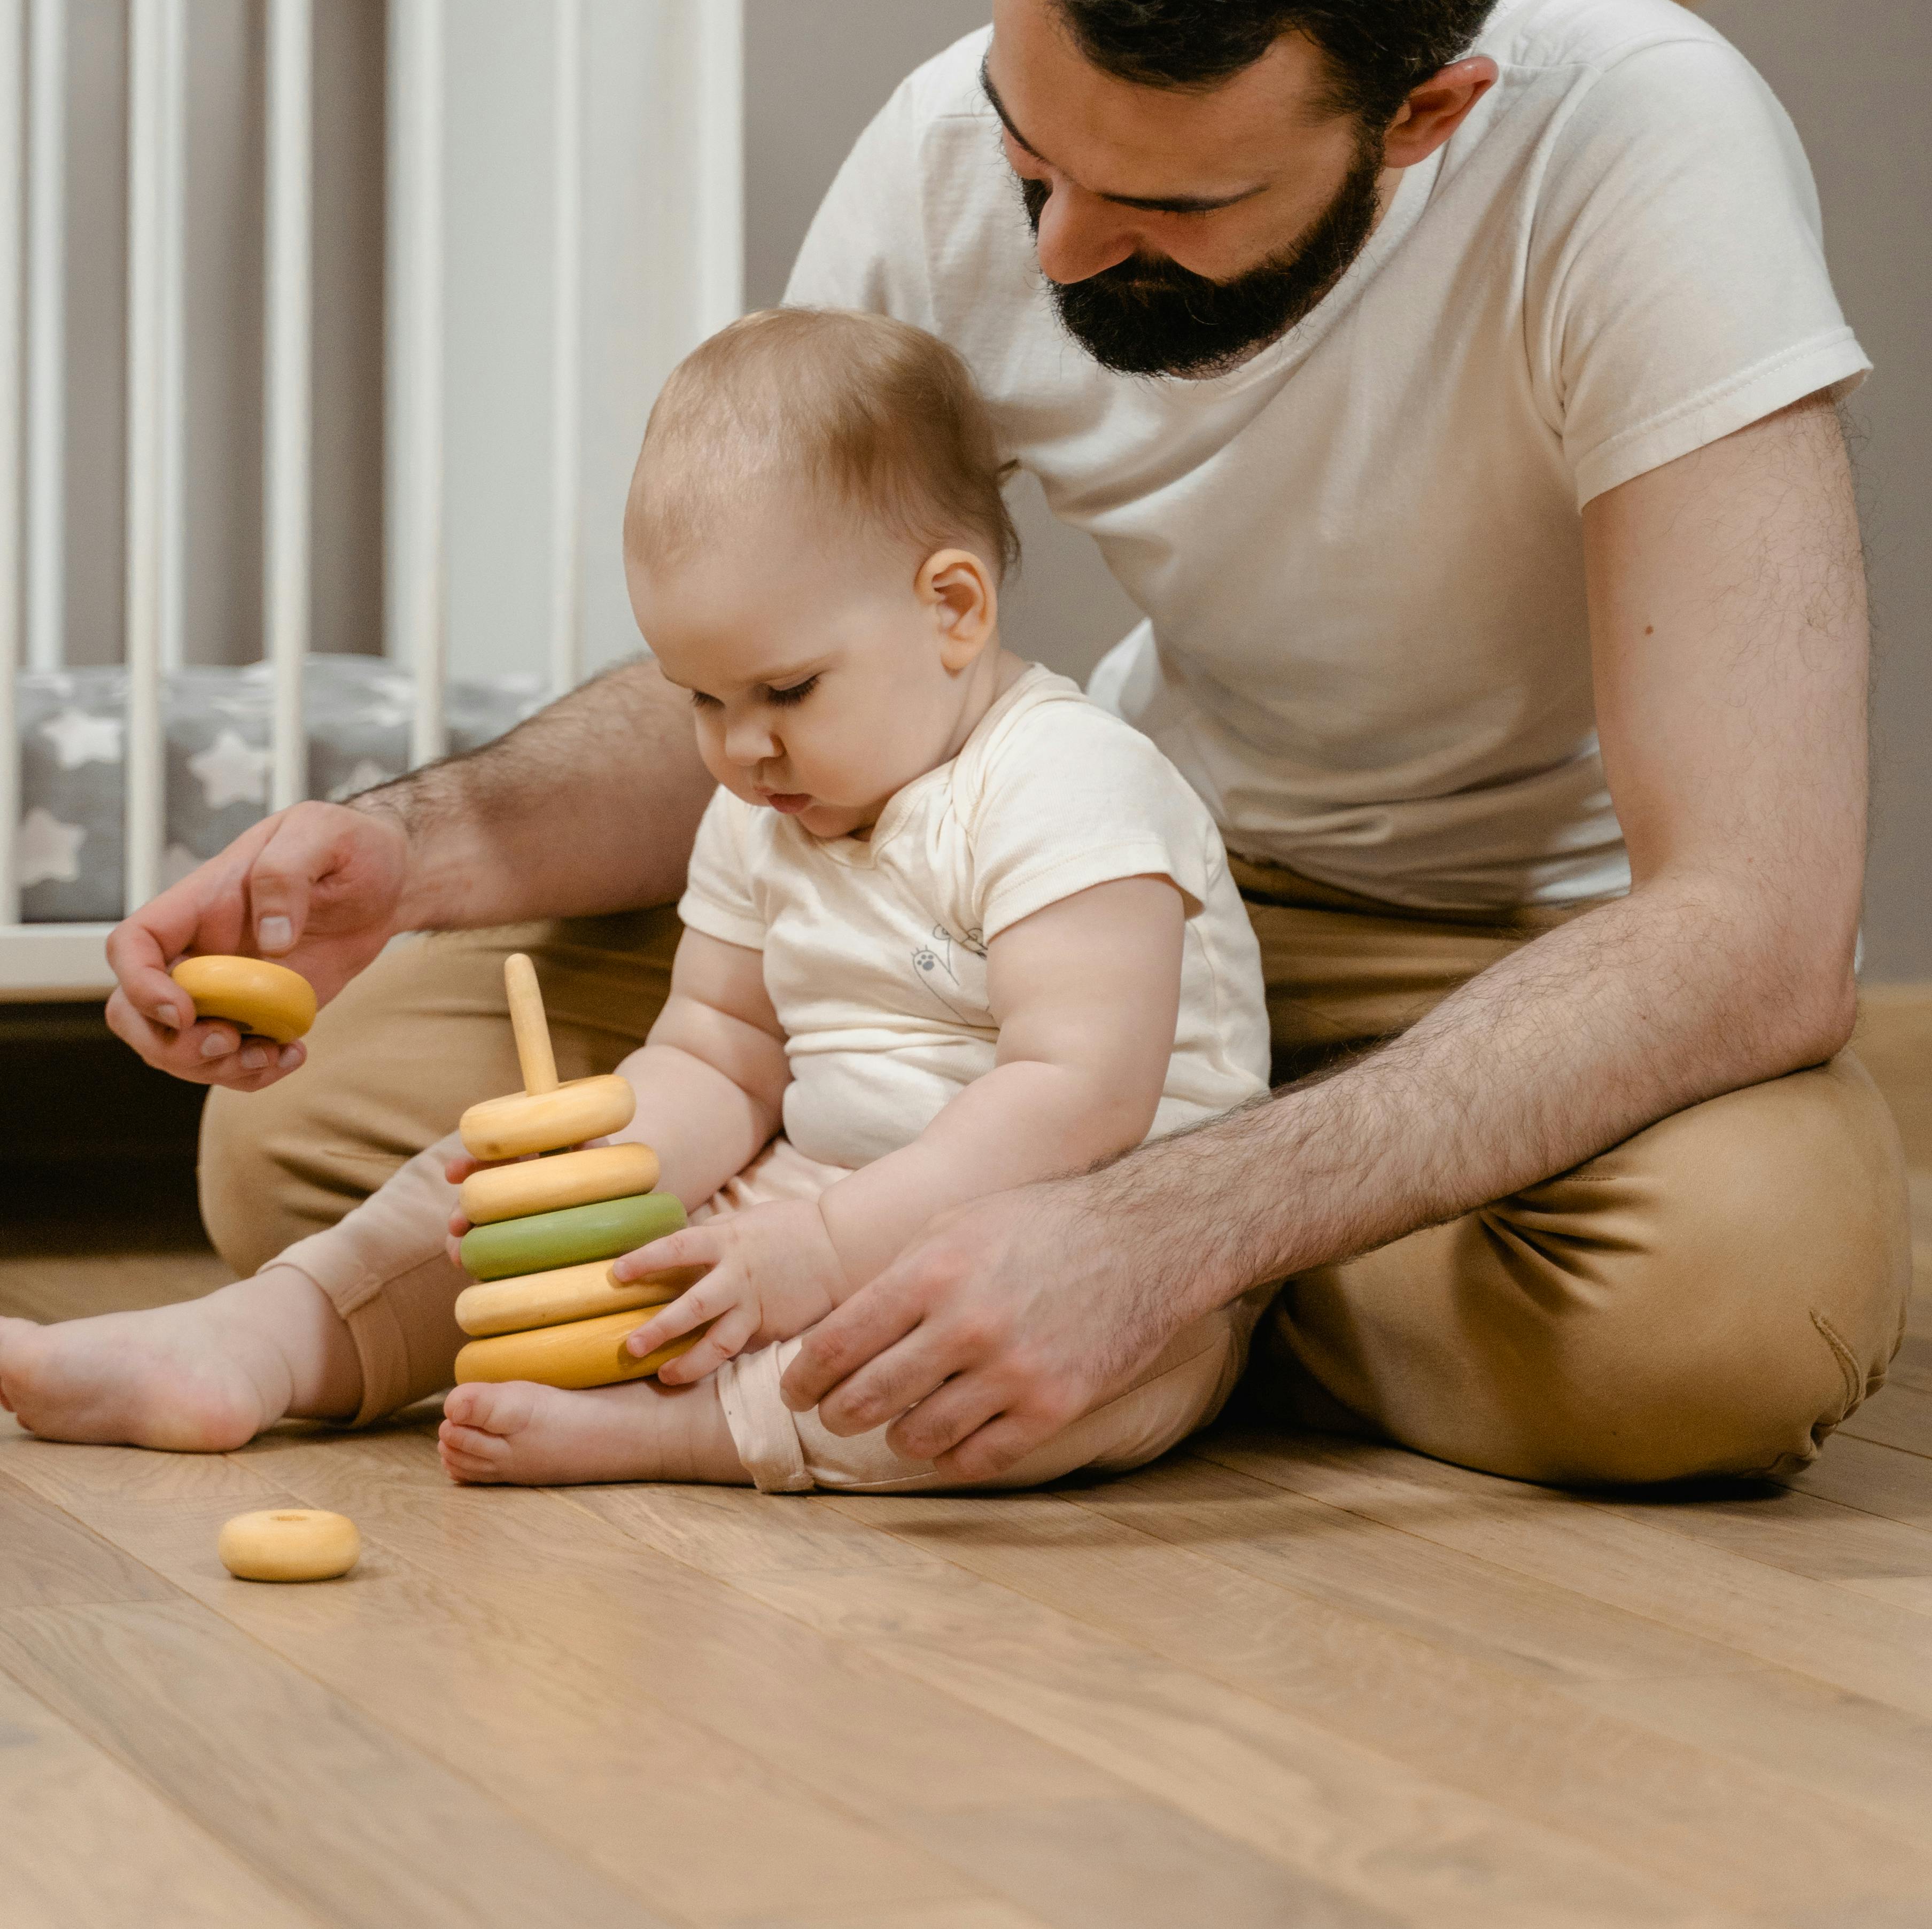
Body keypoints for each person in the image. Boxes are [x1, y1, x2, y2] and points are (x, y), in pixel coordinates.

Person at [83, 0, 1909, 1491]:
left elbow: (1750, 925)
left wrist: (1168, 1219)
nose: (1057, 237)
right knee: (308, 1138)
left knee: (1725, 1311)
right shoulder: (951, 147)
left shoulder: (1643, 154)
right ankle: (1071, 1279)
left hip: (1515, 959)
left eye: (1174, 203)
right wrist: (412, 854)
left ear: (1420, 114)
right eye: (1034, 148)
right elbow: (782, 655)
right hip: (1068, 905)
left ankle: (1128, 1277)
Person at [0, 310, 1273, 1489]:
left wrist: (827, 1254)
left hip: (1092, 1240)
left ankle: (692, 1433)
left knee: (1008, 1367)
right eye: (703, 699)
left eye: (784, 692)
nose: (741, 749)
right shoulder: (763, 807)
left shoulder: (1069, 782)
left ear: (952, 609)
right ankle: (258, 1344)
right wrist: (590, 1179)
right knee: (499, 1186)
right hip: (815, 1197)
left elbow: (1077, 1095)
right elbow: (721, 1054)